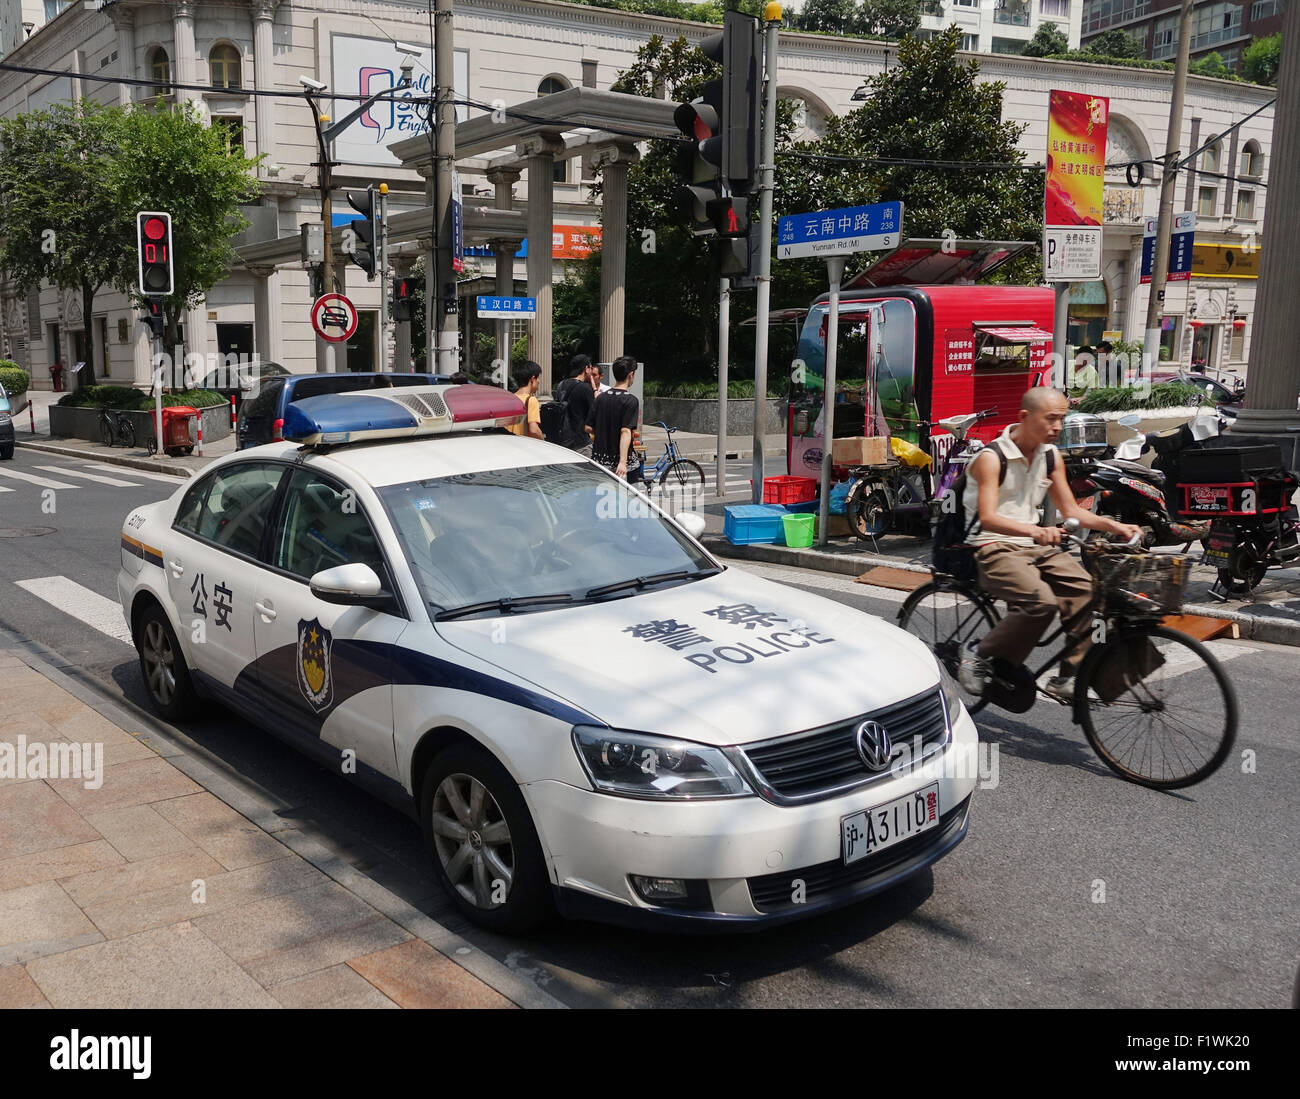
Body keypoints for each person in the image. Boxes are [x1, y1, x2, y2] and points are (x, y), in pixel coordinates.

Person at [959, 387, 1141, 703]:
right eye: (1051, 419)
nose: (1058, 427)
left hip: (1032, 545)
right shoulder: (991, 458)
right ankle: (977, 653)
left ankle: (1068, 677)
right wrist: (1035, 529)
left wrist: (1115, 526)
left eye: (1062, 419)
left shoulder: (1050, 455)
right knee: (1041, 603)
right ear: (1024, 418)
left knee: (1089, 591)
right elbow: (987, 518)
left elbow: (1071, 510)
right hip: (991, 546)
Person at [586, 355, 639, 478]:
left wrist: (603, 431)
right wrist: (622, 462)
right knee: (629, 496)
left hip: (599, 461)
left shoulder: (600, 398)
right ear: (630, 375)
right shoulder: (630, 400)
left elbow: (588, 428)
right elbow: (625, 431)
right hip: (621, 464)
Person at [558, 356, 595, 455]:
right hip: (580, 443)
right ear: (586, 369)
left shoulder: (561, 385)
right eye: (591, 368)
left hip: (562, 441)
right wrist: (594, 389)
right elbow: (595, 412)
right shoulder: (585, 388)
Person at [506, 361, 543, 439]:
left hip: (509, 444)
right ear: (532, 379)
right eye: (539, 378)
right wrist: (543, 440)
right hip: (524, 445)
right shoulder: (531, 400)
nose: (539, 382)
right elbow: (533, 430)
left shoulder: (509, 398)